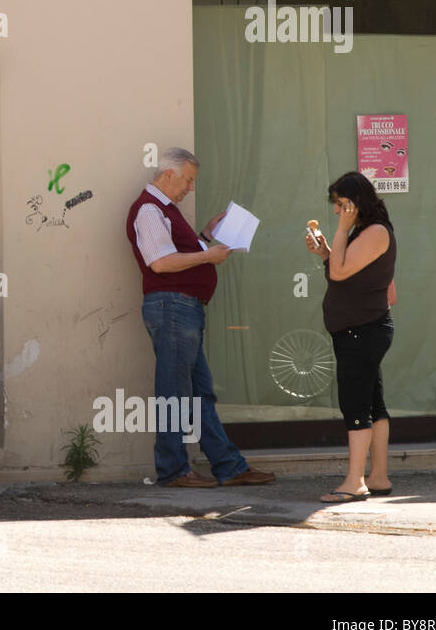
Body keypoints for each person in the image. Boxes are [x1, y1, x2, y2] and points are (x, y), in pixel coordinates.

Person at [124, 148, 276, 488]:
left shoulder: (164, 210)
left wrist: (204, 237)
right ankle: (174, 469)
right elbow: (161, 263)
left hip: (181, 309)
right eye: (188, 180)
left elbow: (175, 255)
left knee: (197, 392)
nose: (190, 188)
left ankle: (228, 466)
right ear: (168, 175)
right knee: (176, 392)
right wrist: (207, 254)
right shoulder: (150, 209)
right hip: (173, 307)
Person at [305, 172, 396, 504]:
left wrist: (342, 230)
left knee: (356, 405)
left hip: (362, 330)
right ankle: (378, 476)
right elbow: (342, 267)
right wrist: (327, 252)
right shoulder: (367, 231)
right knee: (373, 403)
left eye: (342, 204)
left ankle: (355, 481)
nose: (337, 212)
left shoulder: (374, 231)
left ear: (357, 203)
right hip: (361, 329)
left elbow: (341, 273)